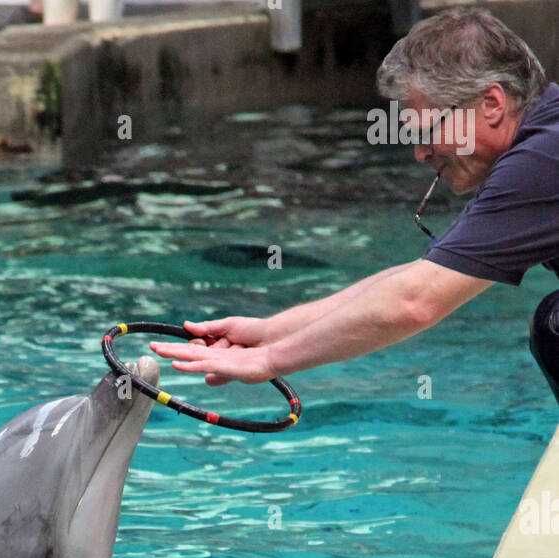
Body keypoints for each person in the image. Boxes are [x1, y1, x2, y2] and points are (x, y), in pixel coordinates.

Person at [149, 7, 559, 404]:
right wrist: (271, 331)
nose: (419, 153)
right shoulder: (537, 147)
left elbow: (415, 302)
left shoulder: (541, 161)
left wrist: (269, 361)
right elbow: (418, 277)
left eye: (427, 131)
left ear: (491, 104)